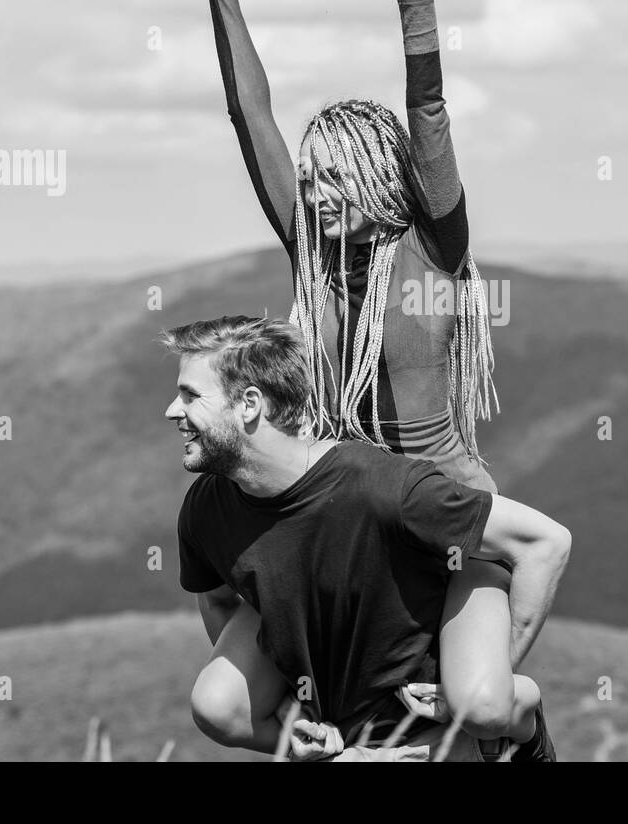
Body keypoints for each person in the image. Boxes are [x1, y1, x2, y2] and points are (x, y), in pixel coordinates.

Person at [206, 0, 552, 755]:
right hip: (340, 527)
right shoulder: (313, 256)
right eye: (308, 177)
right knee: (239, 708)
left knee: (474, 711)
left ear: (372, 178)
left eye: (328, 176)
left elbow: (429, 111)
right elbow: (253, 115)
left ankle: (528, 720)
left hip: (443, 518)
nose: (311, 191)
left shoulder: (432, 247)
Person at [164, 316, 570, 760]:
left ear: (249, 405)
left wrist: (497, 674)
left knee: (483, 707)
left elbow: (547, 542)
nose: (172, 410)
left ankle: (519, 713)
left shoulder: (381, 487)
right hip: (345, 673)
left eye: (190, 396)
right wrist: (287, 710)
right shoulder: (207, 507)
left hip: (467, 571)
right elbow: (219, 599)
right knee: (216, 707)